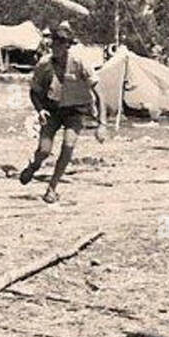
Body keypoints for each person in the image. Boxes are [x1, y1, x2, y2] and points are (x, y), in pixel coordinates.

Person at [19, 20, 104, 203]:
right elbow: (34, 91)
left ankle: (52, 188)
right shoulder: (44, 64)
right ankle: (34, 166)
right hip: (52, 110)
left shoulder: (80, 62)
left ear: (68, 45)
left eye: (61, 43)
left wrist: (102, 123)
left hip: (75, 111)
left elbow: (99, 93)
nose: (57, 46)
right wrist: (40, 110)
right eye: (54, 42)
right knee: (44, 150)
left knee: (68, 146)